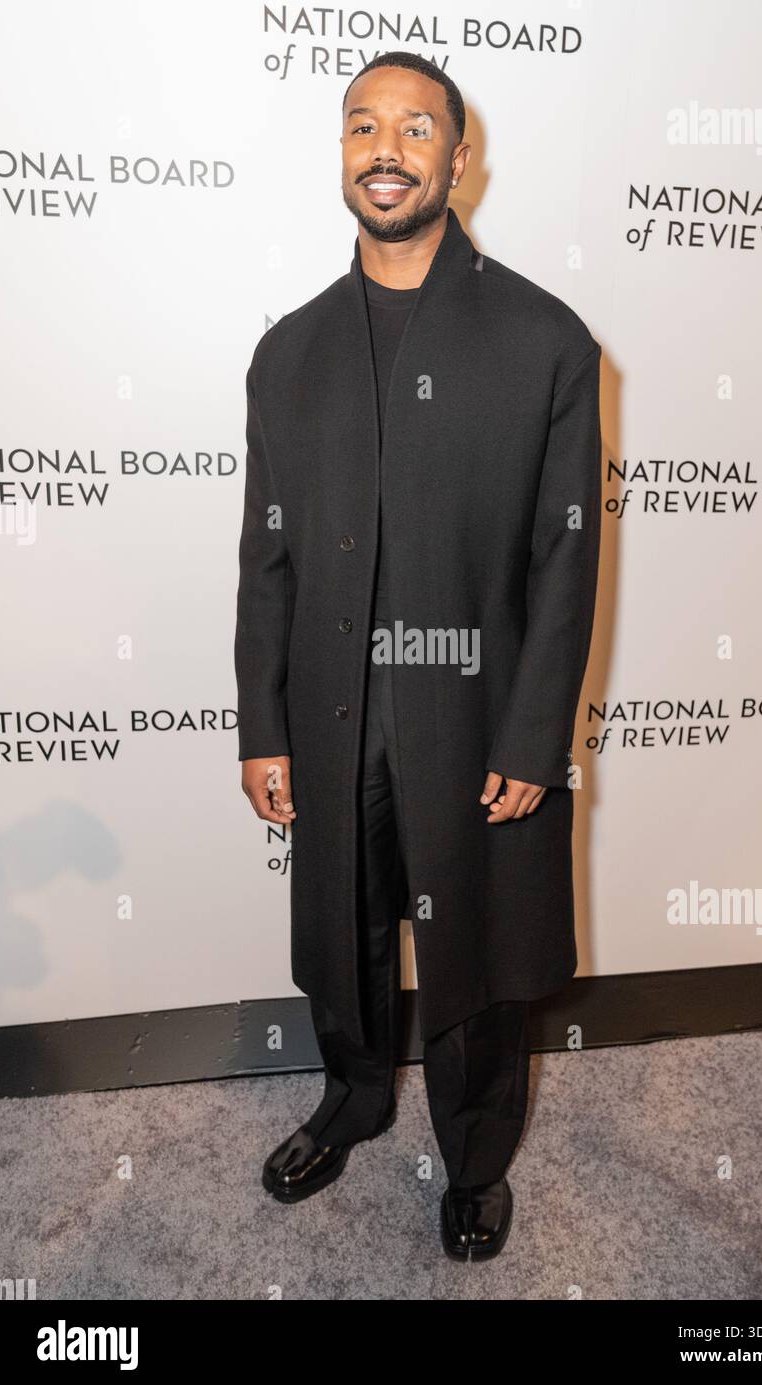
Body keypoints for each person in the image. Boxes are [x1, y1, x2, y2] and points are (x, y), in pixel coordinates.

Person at [234, 51, 602, 1262]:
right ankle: (350, 1096)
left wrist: (531, 736)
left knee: (478, 952)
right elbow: (267, 559)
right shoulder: (286, 353)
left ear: (458, 156)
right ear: (343, 153)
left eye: (413, 129)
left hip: (477, 710)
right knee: (339, 931)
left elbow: (563, 561)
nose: (383, 149)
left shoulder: (546, 340)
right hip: (332, 712)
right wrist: (262, 723)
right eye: (360, 127)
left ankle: (477, 1153)